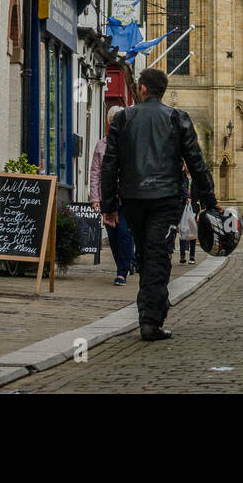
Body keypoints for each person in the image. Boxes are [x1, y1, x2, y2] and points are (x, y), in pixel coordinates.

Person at [101, 67, 218, 341]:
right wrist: (210, 201)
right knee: (156, 257)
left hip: (132, 198)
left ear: (142, 89)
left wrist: (109, 206)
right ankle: (151, 321)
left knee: (145, 254)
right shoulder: (177, 118)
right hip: (166, 199)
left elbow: (110, 165)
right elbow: (196, 162)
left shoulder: (123, 118)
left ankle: (149, 315)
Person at [90, 104, 136, 286]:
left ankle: (122, 272)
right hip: (108, 198)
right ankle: (123, 264)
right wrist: (95, 198)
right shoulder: (102, 145)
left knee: (124, 233)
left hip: (126, 197)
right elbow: (95, 173)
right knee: (114, 235)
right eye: (113, 121)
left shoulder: (130, 145)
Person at [178, 170, 198, 265]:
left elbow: (201, 192)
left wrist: (204, 207)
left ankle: (192, 255)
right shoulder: (181, 176)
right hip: (182, 207)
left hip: (193, 208)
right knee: (183, 230)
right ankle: (182, 255)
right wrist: (186, 197)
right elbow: (180, 188)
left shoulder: (196, 177)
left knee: (193, 231)